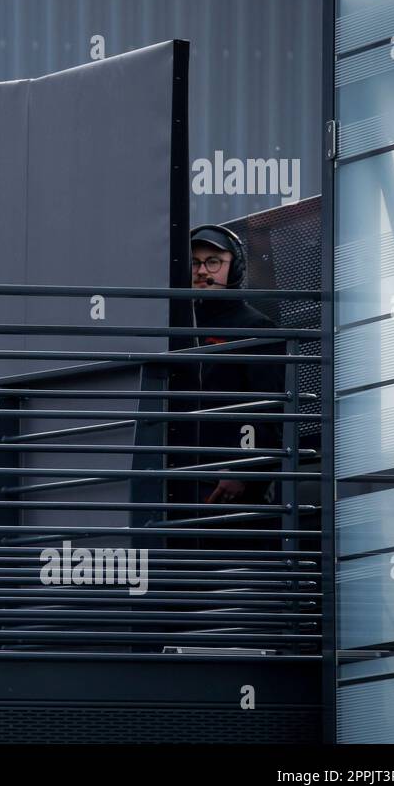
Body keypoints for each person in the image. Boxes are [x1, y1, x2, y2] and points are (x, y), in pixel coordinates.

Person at [169, 224, 285, 550]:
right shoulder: (172, 324)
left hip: (228, 489)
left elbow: (268, 411)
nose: (202, 271)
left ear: (234, 266)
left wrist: (241, 472)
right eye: (194, 263)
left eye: (213, 261)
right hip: (179, 479)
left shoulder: (255, 327)